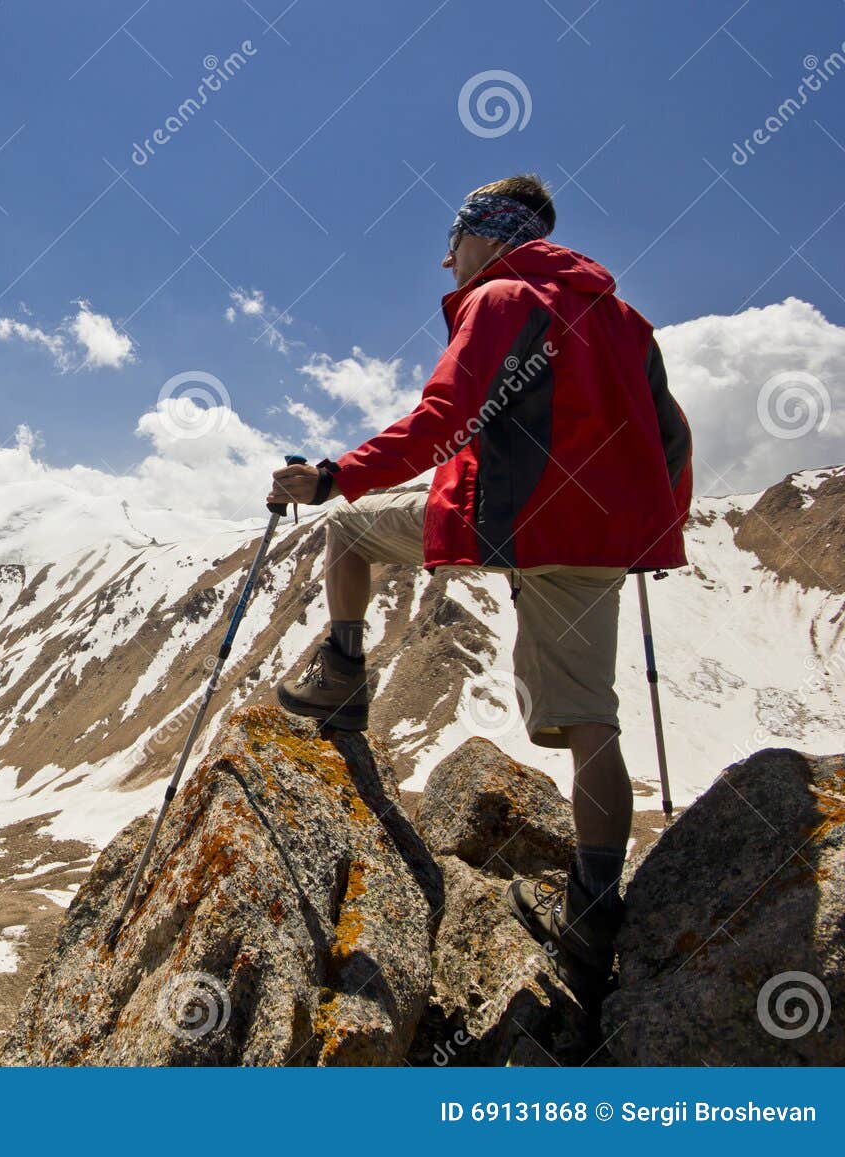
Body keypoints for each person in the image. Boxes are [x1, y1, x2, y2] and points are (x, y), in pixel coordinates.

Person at [266, 173, 692, 1004]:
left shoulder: (503, 300)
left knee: (347, 530)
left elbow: (442, 419)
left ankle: (344, 677)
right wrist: (650, 528)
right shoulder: (624, 320)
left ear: (490, 236)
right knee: (592, 720)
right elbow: (671, 437)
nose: (448, 261)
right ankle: (595, 919)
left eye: (455, 243)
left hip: (511, 519)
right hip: (597, 543)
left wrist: (331, 475)